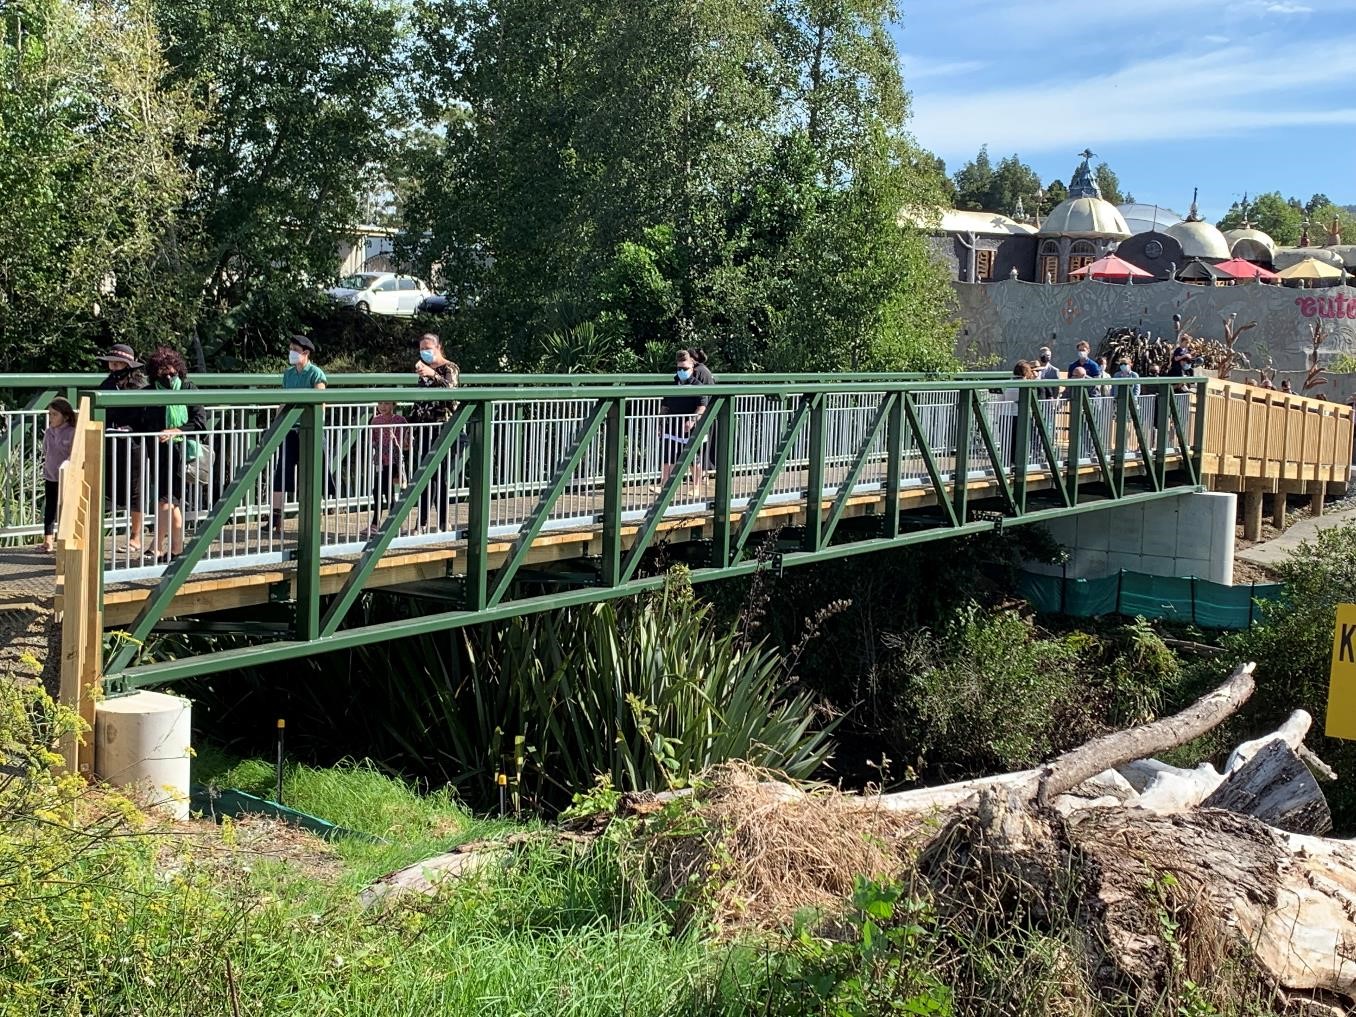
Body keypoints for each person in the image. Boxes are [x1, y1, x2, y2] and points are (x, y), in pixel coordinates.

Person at [143, 347, 206, 562]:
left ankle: (166, 547)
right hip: (158, 453)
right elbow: (140, 420)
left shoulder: (188, 388)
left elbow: (200, 423)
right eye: (163, 372)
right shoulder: (150, 392)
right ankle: (170, 548)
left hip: (180, 451)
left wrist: (176, 431)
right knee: (167, 501)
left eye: (172, 372)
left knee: (168, 501)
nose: (169, 376)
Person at [264, 336, 327, 537]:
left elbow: (321, 403)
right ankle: (275, 519)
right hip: (290, 429)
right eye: (291, 348)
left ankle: (311, 521)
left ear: (305, 353)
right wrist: (275, 424)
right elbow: (284, 400)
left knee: (311, 475)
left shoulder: (316, 373)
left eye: (295, 349)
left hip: (309, 430)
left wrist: (317, 424)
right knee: (281, 472)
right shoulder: (289, 374)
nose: (291, 352)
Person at [96, 343, 149, 555]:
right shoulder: (106, 384)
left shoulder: (139, 385)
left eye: (118, 364)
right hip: (109, 442)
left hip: (133, 444)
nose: (114, 367)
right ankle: (96, 536)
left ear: (129, 365)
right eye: (112, 363)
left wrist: (131, 428)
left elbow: (145, 415)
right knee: (104, 488)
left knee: (134, 491)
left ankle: (136, 537)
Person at [406, 333, 460, 532]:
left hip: (443, 427)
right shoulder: (424, 372)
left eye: (428, 348)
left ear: (439, 347)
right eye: (421, 349)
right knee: (428, 475)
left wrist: (433, 375)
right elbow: (419, 401)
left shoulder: (449, 368)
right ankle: (433, 522)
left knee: (436, 475)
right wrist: (408, 426)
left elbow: (451, 392)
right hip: (424, 428)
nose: (424, 352)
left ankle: (428, 522)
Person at [657, 348, 714, 495]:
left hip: (690, 427)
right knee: (667, 456)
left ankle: (696, 487)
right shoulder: (673, 384)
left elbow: (702, 406)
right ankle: (664, 484)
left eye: (685, 368)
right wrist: (660, 424)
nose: (681, 371)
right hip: (673, 426)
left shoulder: (697, 385)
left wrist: (692, 420)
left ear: (692, 367)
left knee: (694, 458)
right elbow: (665, 406)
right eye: (679, 368)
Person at [40, 397, 77, 553]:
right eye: (49, 414)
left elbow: (73, 455)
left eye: (55, 414)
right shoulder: (49, 432)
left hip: (67, 477)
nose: (51, 418)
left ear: (66, 416)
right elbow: (45, 450)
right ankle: (48, 540)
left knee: (66, 508)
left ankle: (66, 540)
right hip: (51, 474)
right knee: (50, 507)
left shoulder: (72, 432)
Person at [369, 400, 409, 535]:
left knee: (387, 491)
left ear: (393, 405)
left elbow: (403, 443)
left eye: (387, 403)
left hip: (393, 460)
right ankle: (383, 523)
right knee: (378, 491)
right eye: (380, 403)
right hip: (381, 460)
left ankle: (384, 523)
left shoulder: (400, 420)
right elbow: (374, 440)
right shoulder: (375, 421)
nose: (383, 407)